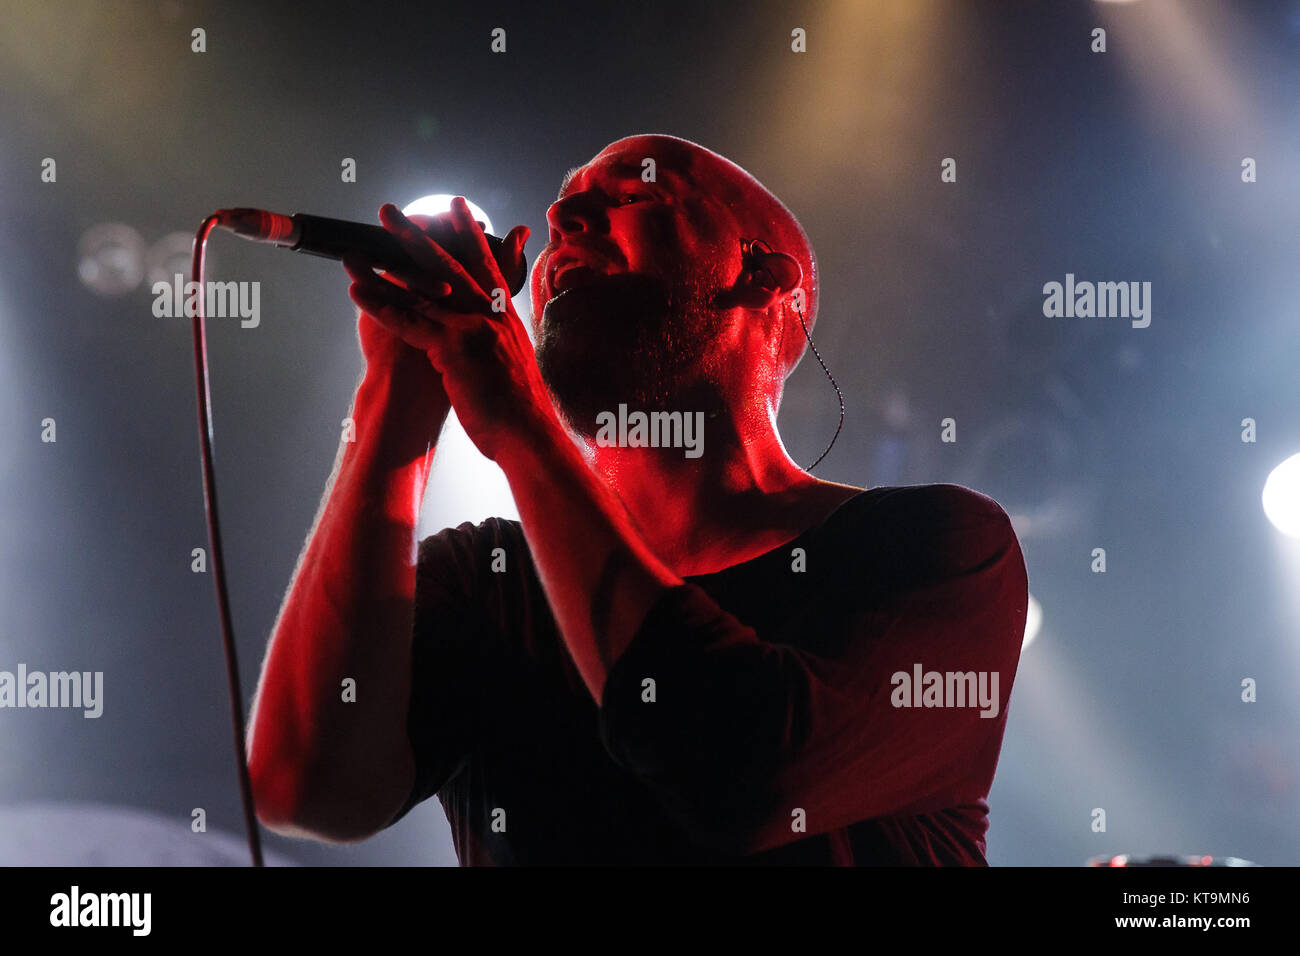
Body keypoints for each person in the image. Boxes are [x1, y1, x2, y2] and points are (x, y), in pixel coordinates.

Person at [245, 133, 1028, 865]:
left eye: (637, 193)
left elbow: (749, 777)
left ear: (767, 276)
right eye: (561, 212)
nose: (561, 218)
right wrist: (397, 393)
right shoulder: (485, 578)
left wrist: (516, 420)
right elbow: (305, 790)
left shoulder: (938, 545)